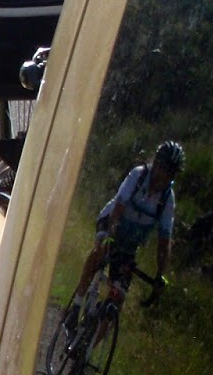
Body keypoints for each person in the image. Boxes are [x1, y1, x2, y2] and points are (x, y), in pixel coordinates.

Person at [65, 139, 184, 328]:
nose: (164, 176)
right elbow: (118, 208)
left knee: (116, 303)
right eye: (163, 168)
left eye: (171, 173)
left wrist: (160, 274)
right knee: (99, 252)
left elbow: (164, 240)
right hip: (111, 221)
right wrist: (110, 236)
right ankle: (76, 304)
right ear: (157, 164)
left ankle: (84, 353)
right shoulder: (138, 175)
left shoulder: (168, 199)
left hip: (129, 244)